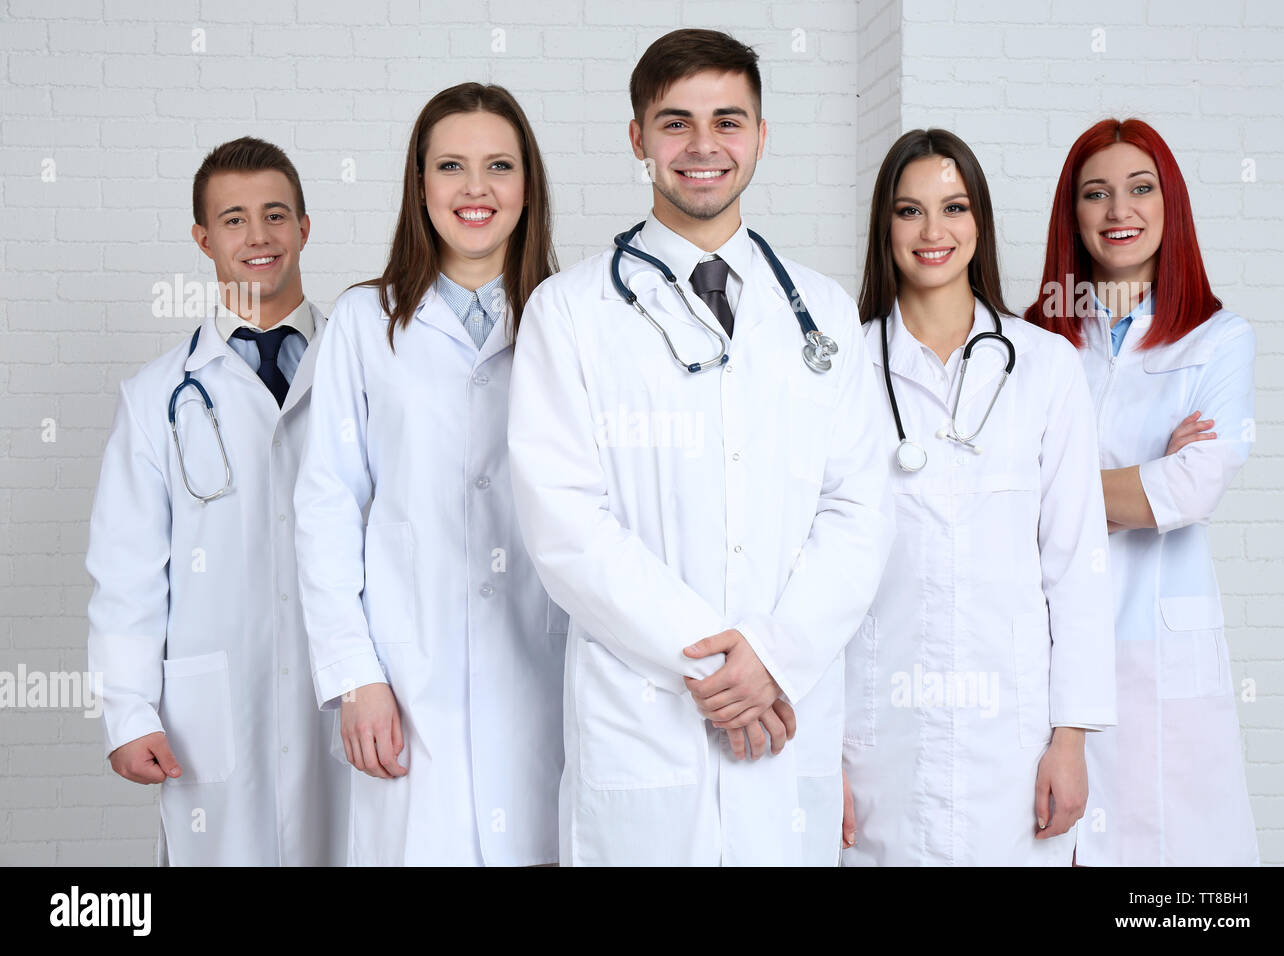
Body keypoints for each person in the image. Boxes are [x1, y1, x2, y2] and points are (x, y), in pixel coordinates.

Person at [507, 29, 894, 866]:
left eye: (728, 120)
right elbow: (565, 523)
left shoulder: (822, 314)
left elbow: (860, 509)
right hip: (646, 719)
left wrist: (776, 656)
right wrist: (726, 671)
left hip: (784, 720)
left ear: (761, 135)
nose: (704, 146)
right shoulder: (568, 312)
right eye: (675, 122)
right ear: (638, 137)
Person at [294, 83, 565, 866]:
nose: (475, 189)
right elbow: (327, 507)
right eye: (451, 165)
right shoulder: (362, 324)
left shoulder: (573, 320)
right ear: (420, 185)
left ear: (528, 185)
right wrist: (355, 677)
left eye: (498, 166)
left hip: (547, 674)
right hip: (405, 682)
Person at [841, 129, 1117, 866]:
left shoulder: (1046, 369)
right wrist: (817, 753)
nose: (934, 232)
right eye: (910, 211)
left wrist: (1071, 739)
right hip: (876, 740)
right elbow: (810, 570)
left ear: (980, 222)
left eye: (954, 207)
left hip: (1014, 745)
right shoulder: (842, 370)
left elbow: (1076, 567)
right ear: (885, 227)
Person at [86, 137, 348, 866]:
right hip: (216, 709)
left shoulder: (362, 369)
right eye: (233, 219)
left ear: (304, 225)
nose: (257, 236)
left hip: (351, 694)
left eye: (274, 214)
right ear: (204, 238)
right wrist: (128, 713)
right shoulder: (154, 398)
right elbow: (127, 574)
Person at [1025, 118, 1259, 866]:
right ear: (1073, 214)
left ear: (1171, 205)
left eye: (1139, 188)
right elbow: (990, 495)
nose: (1118, 210)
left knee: (1174, 885)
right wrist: (1139, 485)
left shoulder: (1218, 340)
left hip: (1162, 652)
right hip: (1048, 649)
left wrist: (1051, 493)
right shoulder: (1032, 340)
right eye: (1095, 193)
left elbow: (1190, 490)